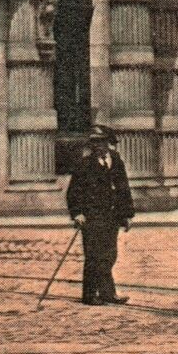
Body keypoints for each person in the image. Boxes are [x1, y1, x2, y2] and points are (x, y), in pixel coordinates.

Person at [66, 127, 134, 306]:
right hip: (92, 217)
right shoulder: (84, 164)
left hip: (112, 216)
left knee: (109, 255)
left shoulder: (116, 161)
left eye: (102, 142)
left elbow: (123, 189)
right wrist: (77, 213)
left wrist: (127, 215)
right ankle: (89, 295)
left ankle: (107, 293)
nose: (98, 146)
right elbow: (74, 191)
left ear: (109, 143)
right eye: (94, 142)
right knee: (93, 256)